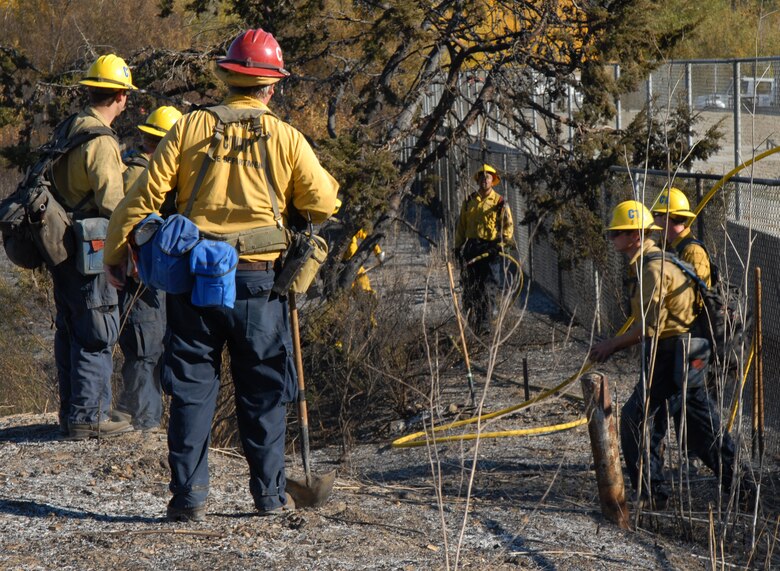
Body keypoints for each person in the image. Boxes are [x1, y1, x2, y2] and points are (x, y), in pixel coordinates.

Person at [103, 28, 338, 522]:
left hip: (195, 282)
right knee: (264, 391)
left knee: (190, 390)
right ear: (271, 86)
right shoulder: (288, 138)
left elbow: (141, 199)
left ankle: (188, 500)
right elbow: (323, 201)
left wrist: (116, 255)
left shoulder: (189, 129)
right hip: (261, 285)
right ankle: (271, 497)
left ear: (228, 76)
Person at [590, 200, 742, 509]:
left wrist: (611, 345)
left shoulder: (653, 268)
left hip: (675, 350)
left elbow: (650, 328)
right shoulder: (654, 262)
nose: (612, 239)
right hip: (676, 350)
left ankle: (736, 487)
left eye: (616, 233)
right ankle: (661, 493)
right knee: (686, 426)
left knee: (652, 422)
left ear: (635, 235)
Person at [50, 54, 136, 440]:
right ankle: (90, 416)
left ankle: (73, 412)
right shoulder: (101, 141)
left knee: (70, 326)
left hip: (61, 243)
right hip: (89, 246)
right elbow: (114, 206)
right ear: (120, 96)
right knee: (97, 326)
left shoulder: (70, 127)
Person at [113, 106, 182, 433]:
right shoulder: (143, 178)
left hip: (142, 276)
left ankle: (131, 413)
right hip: (141, 278)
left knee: (145, 349)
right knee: (146, 350)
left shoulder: (133, 167)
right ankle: (146, 425)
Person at [648, 186, 712, 482]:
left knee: (690, 402)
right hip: (676, 339)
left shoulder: (692, 250)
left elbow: (696, 295)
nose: (656, 222)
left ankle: (698, 458)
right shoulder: (672, 249)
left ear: (671, 217)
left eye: (659, 216)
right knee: (677, 401)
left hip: (691, 339)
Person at [453, 163, 515, 334]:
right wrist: (458, 248)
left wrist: (500, 245)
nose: (484, 180)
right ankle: (473, 324)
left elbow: (508, 228)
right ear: (478, 180)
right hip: (472, 249)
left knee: (488, 289)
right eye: (482, 177)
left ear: (493, 180)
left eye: (488, 177)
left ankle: (486, 325)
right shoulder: (469, 201)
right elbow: (461, 227)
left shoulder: (500, 202)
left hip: (490, 250)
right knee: (471, 289)